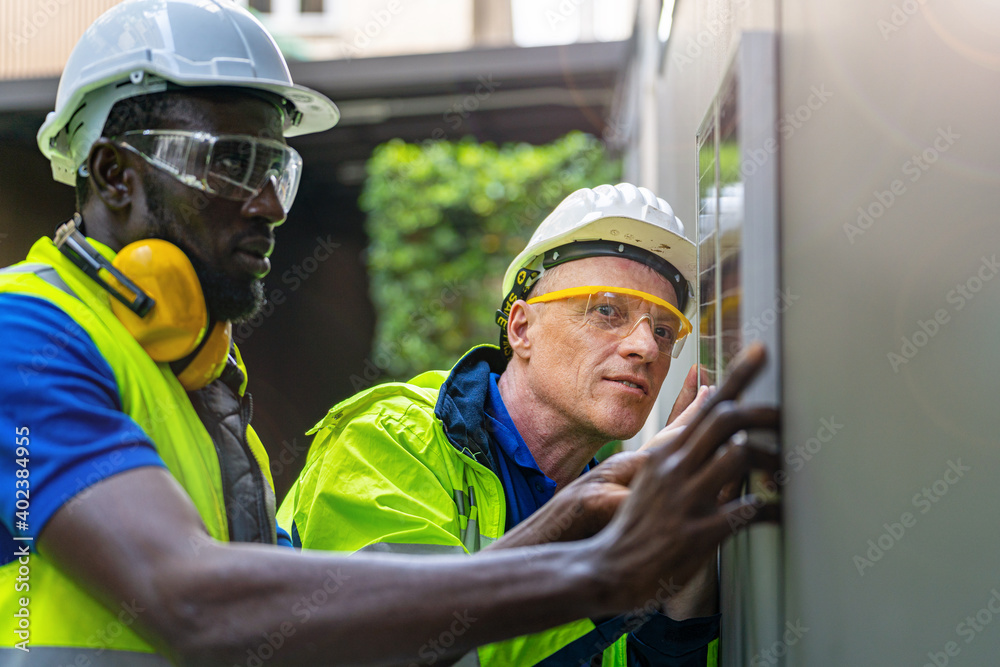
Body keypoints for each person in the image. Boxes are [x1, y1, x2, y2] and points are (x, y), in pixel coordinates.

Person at [0, 2, 778, 664]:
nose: (271, 203)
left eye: (278, 169)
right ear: (112, 175)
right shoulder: (22, 335)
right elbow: (190, 598)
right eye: (234, 161)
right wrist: (598, 572)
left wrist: (575, 527)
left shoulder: (201, 378)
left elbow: (316, 625)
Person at [278, 183, 741, 665]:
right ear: (521, 329)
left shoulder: (606, 503)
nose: (645, 347)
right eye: (607, 310)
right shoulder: (389, 442)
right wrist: (613, 557)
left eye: (663, 330)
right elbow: (402, 648)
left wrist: (685, 555)